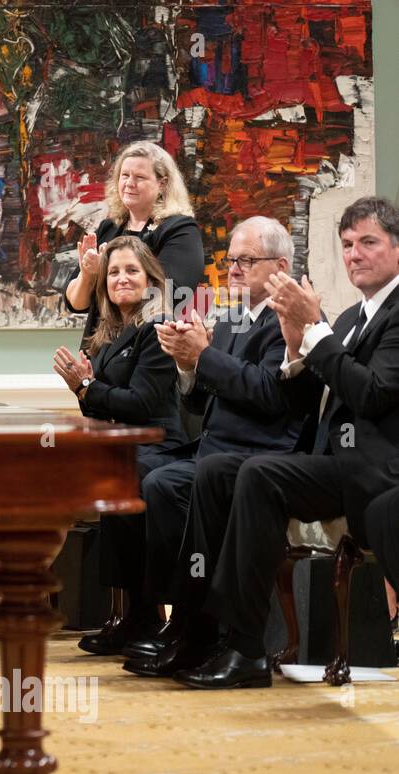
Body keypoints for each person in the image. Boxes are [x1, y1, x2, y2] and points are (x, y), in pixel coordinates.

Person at [171, 196, 399, 689]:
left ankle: (245, 647)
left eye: (368, 243)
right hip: (334, 462)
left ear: (396, 249)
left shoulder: (388, 316)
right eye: (346, 245)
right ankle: (205, 630)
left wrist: (311, 331)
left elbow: (374, 394)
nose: (354, 254)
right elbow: (300, 393)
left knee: (258, 473)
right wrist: (298, 346)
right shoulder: (348, 320)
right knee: (215, 472)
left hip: (378, 472)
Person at [122, 216, 303, 676]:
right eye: (231, 260)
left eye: (246, 260)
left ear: (280, 265)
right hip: (216, 448)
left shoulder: (290, 319)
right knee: (155, 480)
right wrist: (185, 365)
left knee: (182, 479)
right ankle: (177, 619)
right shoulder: (231, 317)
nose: (233, 269)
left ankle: (201, 626)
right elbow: (202, 400)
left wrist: (203, 357)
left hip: (261, 453)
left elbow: (268, 393)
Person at [53, 236, 186, 653]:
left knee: (125, 479)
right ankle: (127, 615)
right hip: (120, 441)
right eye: (113, 272)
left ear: (150, 278)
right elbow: (95, 401)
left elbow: (142, 404)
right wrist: (84, 388)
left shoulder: (158, 327)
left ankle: (145, 615)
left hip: (158, 442)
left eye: (131, 270)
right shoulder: (104, 329)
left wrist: (87, 386)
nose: (121, 279)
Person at [65, 141, 205, 343]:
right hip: (99, 351)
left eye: (139, 177)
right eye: (125, 175)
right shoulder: (108, 228)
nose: (129, 183)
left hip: (149, 349)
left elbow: (170, 296)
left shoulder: (179, 230)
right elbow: (75, 303)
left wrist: (102, 278)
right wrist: (88, 275)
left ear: (162, 184)